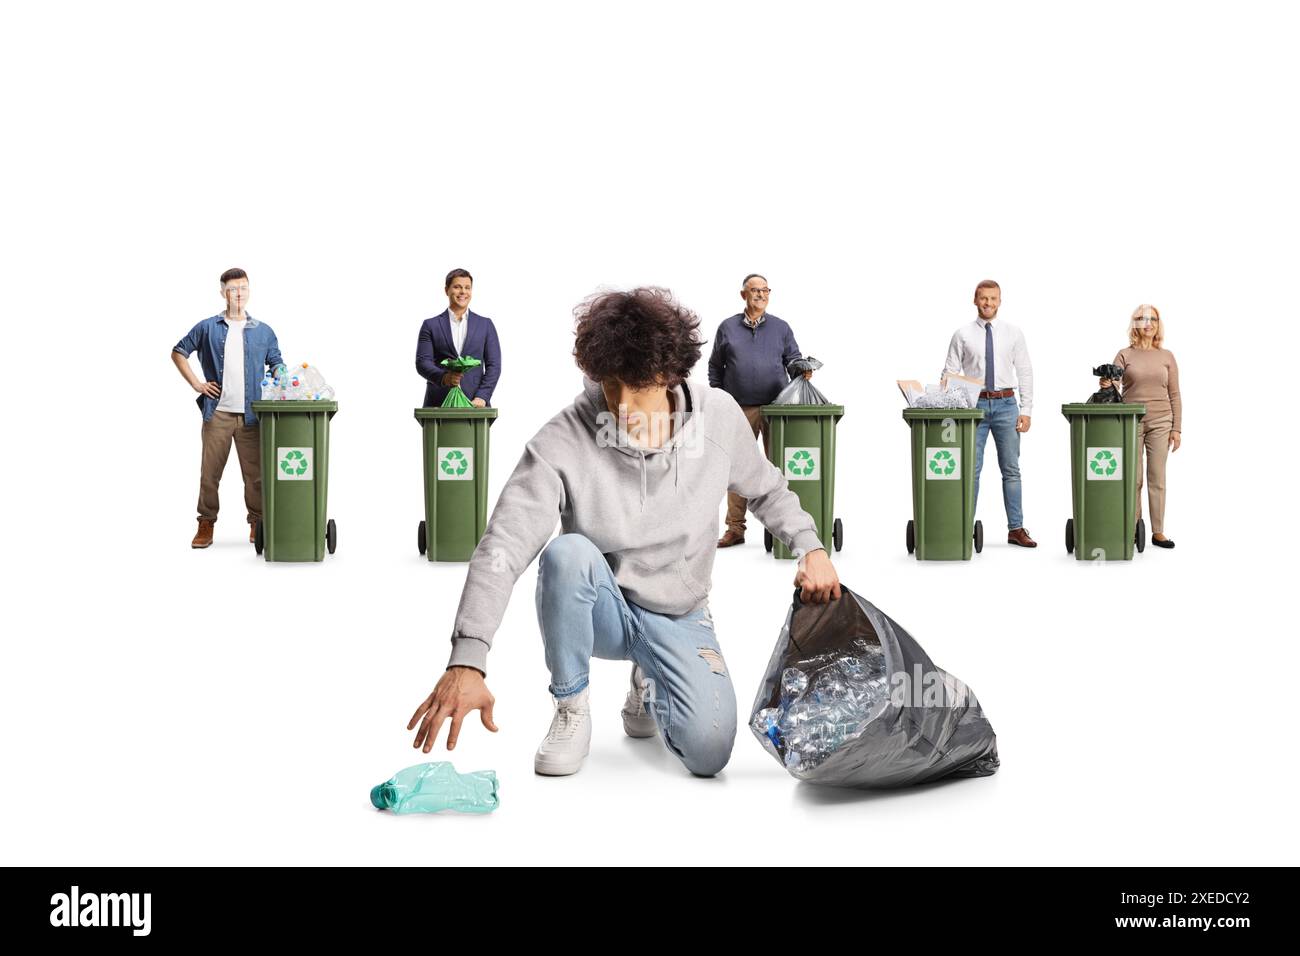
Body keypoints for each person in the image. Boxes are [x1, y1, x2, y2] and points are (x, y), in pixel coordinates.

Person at [407, 287, 841, 778]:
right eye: (611, 385)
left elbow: (768, 491)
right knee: (565, 555)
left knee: (709, 752)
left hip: (680, 612)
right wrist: (469, 658)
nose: (623, 405)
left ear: (670, 375)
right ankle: (571, 708)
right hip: (601, 606)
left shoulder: (717, 416)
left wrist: (812, 547)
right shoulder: (565, 437)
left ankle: (649, 680)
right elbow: (504, 543)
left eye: (639, 387)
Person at [171, 268, 284, 549]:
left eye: (243, 288)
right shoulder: (207, 327)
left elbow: (277, 362)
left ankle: (258, 523)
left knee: (256, 476)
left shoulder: (264, 331)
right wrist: (197, 384)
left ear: (249, 291)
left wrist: (283, 374)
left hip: (252, 416)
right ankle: (206, 523)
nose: (238, 294)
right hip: (218, 413)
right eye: (232, 289)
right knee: (210, 473)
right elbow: (178, 351)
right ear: (223, 292)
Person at [707, 273, 812, 548]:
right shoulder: (727, 328)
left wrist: (801, 368)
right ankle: (735, 528)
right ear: (743, 294)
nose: (761, 295)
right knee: (737, 469)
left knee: (778, 466)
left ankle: (784, 529)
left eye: (765, 290)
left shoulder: (781, 328)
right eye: (755, 290)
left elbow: (793, 359)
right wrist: (721, 397)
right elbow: (715, 366)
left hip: (777, 409)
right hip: (739, 408)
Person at [942, 279, 1037, 547]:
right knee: (970, 470)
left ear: (1000, 301)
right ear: (975, 300)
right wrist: (949, 405)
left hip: (1007, 404)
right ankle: (963, 526)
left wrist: (1026, 409)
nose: (988, 303)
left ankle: (1016, 529)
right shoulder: (962, 334)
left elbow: (1025, 370)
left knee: (1011, 469)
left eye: (993, 299)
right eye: (983, 298)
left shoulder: (1013, 333)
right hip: (975, 407)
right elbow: (949, 373)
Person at [1114, 305, 1181, 548]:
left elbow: (1175, 394)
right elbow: (1112, 386)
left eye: (1153, 319)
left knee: (1156, 477)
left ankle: (1158, 531)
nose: (1148, 323)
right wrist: (1106, 381)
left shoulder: (1167, 356)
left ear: (1158, 324)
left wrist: (1177, 428)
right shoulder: (1124, 354)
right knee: (1133, 478)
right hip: (1131, 420)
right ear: (1135, 324)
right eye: (1142, 319)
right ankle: (1134, 527)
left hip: (1162, 421)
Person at [416, 268, 502, 408]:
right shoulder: (430, 325)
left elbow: (494, 365)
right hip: (438, 403)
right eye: (457, 287)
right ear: (446, 290)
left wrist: (482, 396)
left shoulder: (485, 325)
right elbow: (422, 362)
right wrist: (444, 378)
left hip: (475, 403)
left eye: (467, 288)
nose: (463, 292)